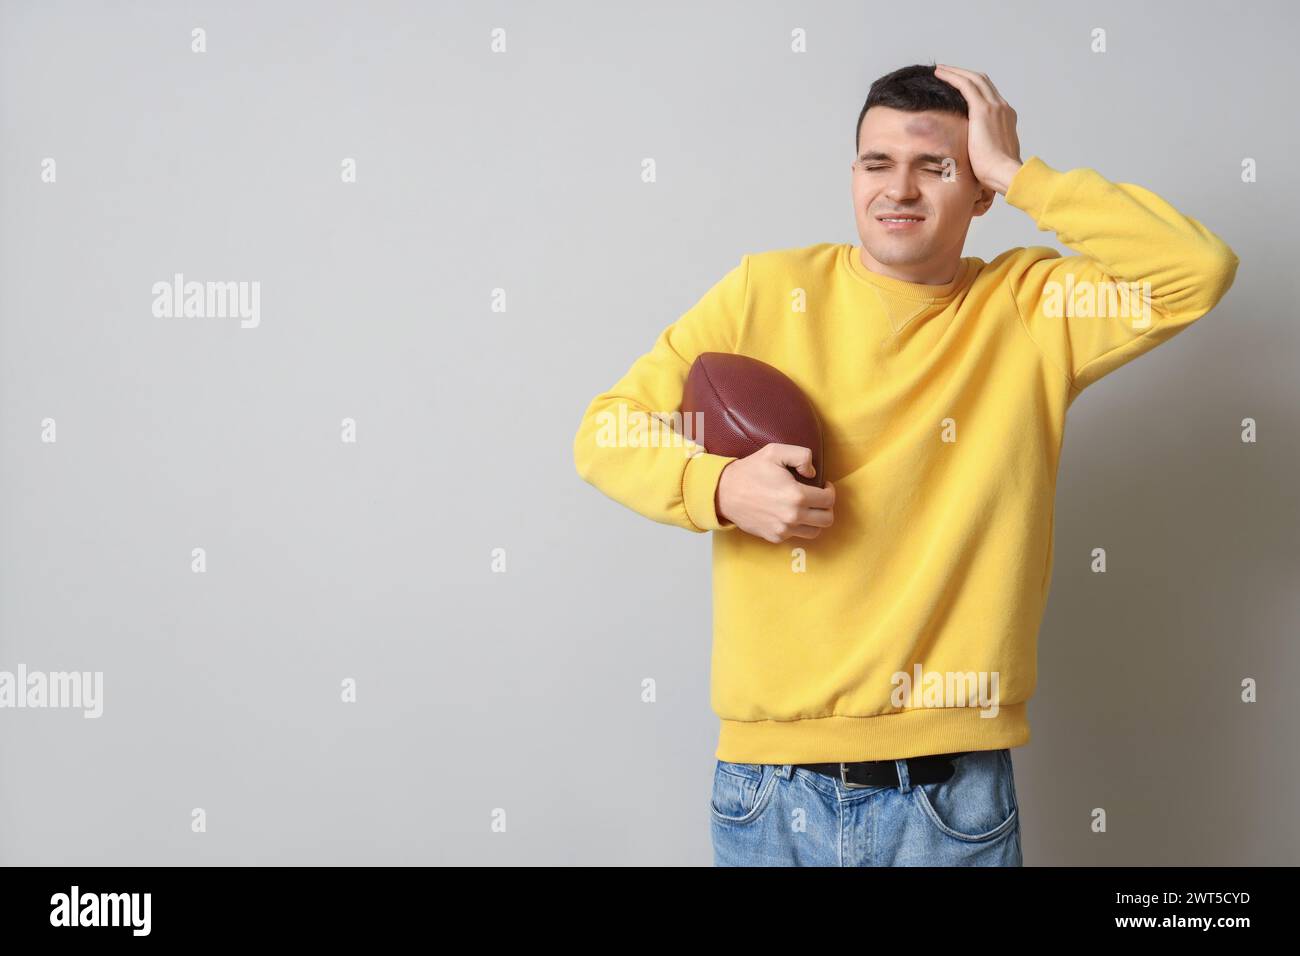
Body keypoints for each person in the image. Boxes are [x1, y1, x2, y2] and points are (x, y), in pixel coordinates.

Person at [572, 63, 1239, 866]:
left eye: (938, 166)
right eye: (876, 163)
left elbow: (1194, 271)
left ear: (981, 192)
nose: (900, 190)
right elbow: (606, 433)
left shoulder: (1031, 310)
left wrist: (1021, 173)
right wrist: (716, 486)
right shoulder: (765, 291)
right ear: (853, 174)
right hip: (768, 785)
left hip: (950, 795)